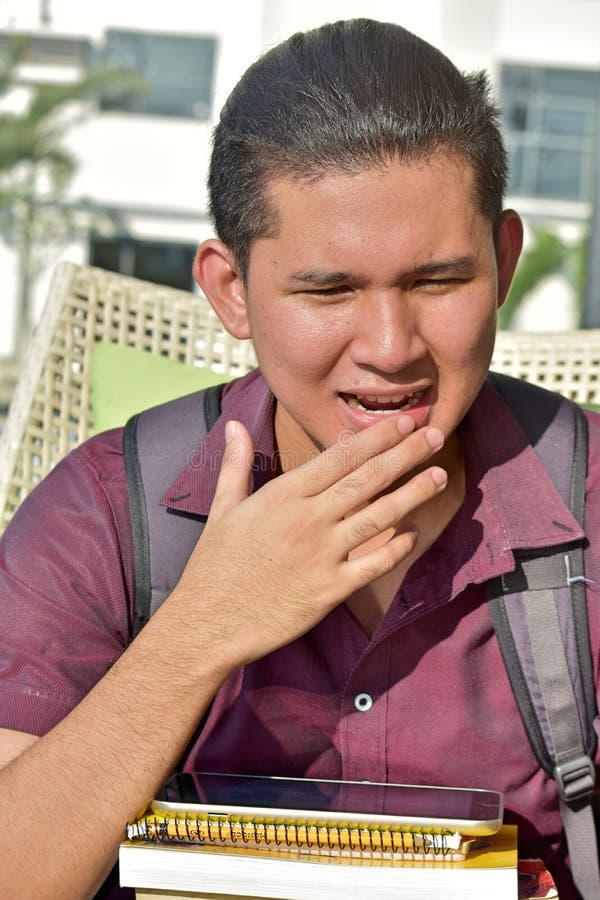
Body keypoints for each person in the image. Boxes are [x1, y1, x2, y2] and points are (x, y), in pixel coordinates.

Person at [0, 17, 598, 900]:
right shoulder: (107, 514)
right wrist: (197, 633)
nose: (392, 348)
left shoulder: (584, 503)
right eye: (328, 289)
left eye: (438, 282)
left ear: (503, 264)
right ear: (231, 292)